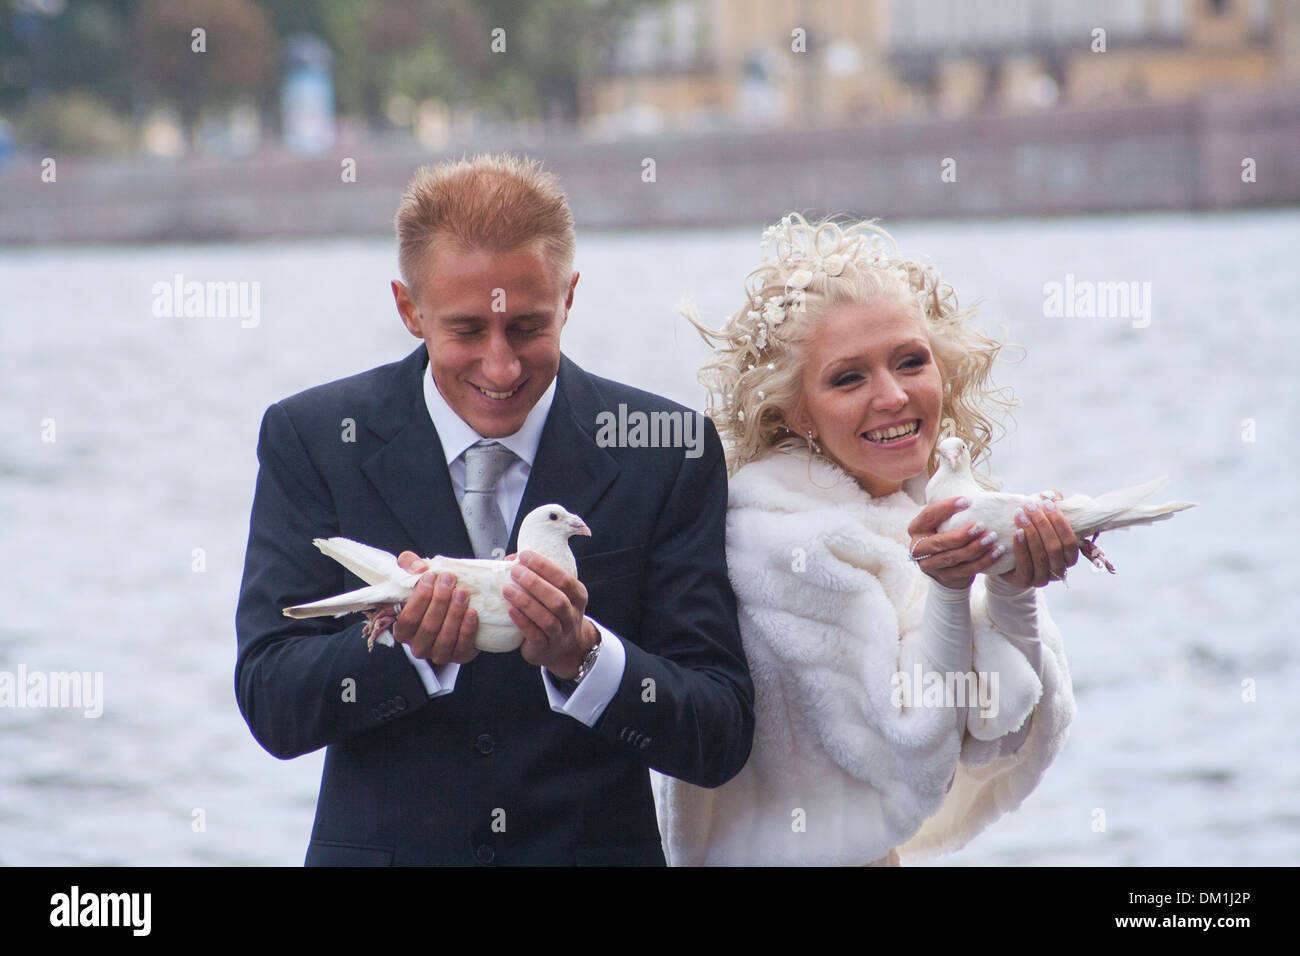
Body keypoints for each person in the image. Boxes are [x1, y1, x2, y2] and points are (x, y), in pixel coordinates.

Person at [234, 154, 754, 866]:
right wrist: (404, 652)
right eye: (468, 331)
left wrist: (587, 658)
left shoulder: (666, 447)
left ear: (570, 297)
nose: (502, 367)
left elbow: (720, 734)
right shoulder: (314, 437)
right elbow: (271, 703)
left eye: (528, 327)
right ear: (408, 308)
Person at [657, 214, 1078, 866]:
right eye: (848, 378)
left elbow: (999, 730)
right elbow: (913, 750)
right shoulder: (778, 544)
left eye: (911, 362)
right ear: (796, 410)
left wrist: (1013, 584)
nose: (892, 396)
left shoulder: (922, 506)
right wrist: (952, 584)